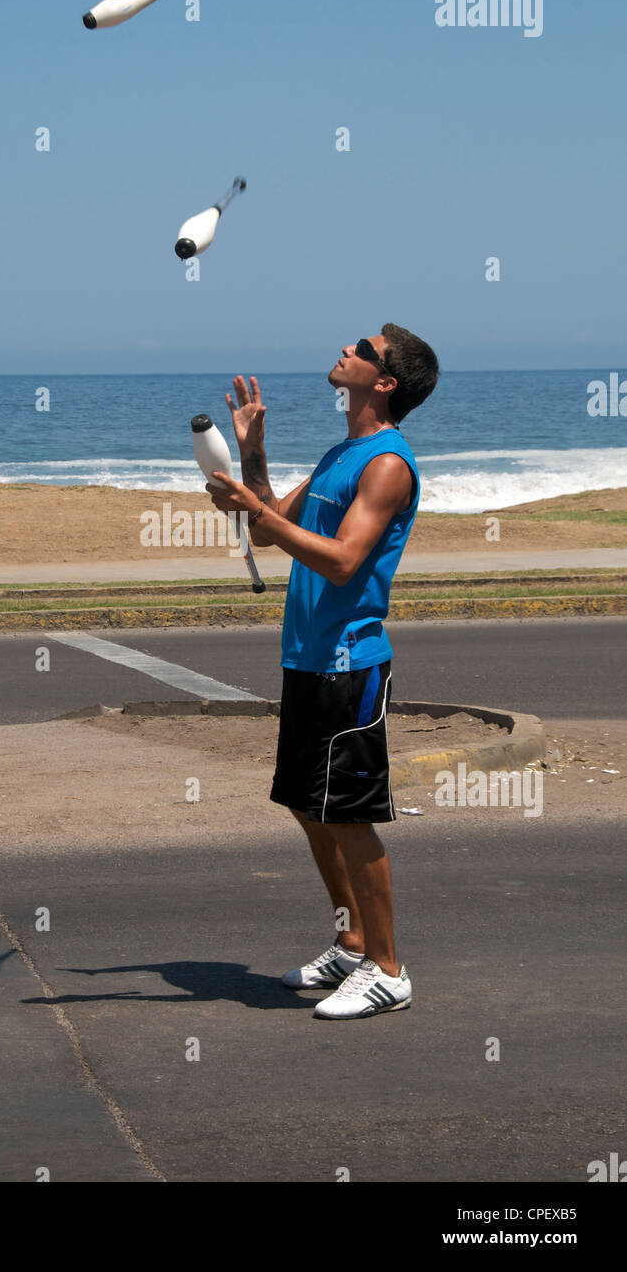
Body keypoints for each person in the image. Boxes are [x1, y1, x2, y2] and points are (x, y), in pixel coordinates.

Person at [206, 324, 439, 1019]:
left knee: (351, 817)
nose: (347, 350)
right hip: (306, 659)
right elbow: (268, 525)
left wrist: (261, 517)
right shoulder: (344, 451)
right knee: (310, 810)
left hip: (350, 665)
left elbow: (342, 560)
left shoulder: (389, 464)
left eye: (363, 349)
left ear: (386, 381)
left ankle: (390, 970)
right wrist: (253, 457)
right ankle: (354, 940)